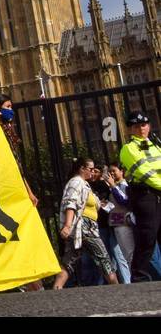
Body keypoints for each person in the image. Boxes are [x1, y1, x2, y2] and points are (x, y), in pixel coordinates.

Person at [51, 157, 118, 289]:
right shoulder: (76, 182)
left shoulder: (84, 184)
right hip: (85, 227)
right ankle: (117, 288)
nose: (93, 172)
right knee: (103, 258)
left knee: (68, 262)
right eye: (91, 169)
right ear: (81, 168)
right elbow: (71, 203)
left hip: (84, 227)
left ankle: (56, 289)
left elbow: (92, 204)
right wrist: (67, 225)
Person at [119, 111, 161, 282]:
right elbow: (145, 173)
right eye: (136, 126)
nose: (141, 128)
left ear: (149, 126)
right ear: (130, 129)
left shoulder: (156, 145)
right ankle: (138, 275)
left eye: (144, 125)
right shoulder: (128, 148)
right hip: (145, 196)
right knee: (148, 235)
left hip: (158, 193)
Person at [105, 161, 134, 284]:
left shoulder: (123, 185)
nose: (111, 173)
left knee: (129, 253)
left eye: (114, 171)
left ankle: (136, 278)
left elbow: (123, 201)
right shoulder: (114, 186)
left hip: (124, 225)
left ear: (121, 171)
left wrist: (113, 186)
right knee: (122, 254)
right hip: (117, 224)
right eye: (110, 171)